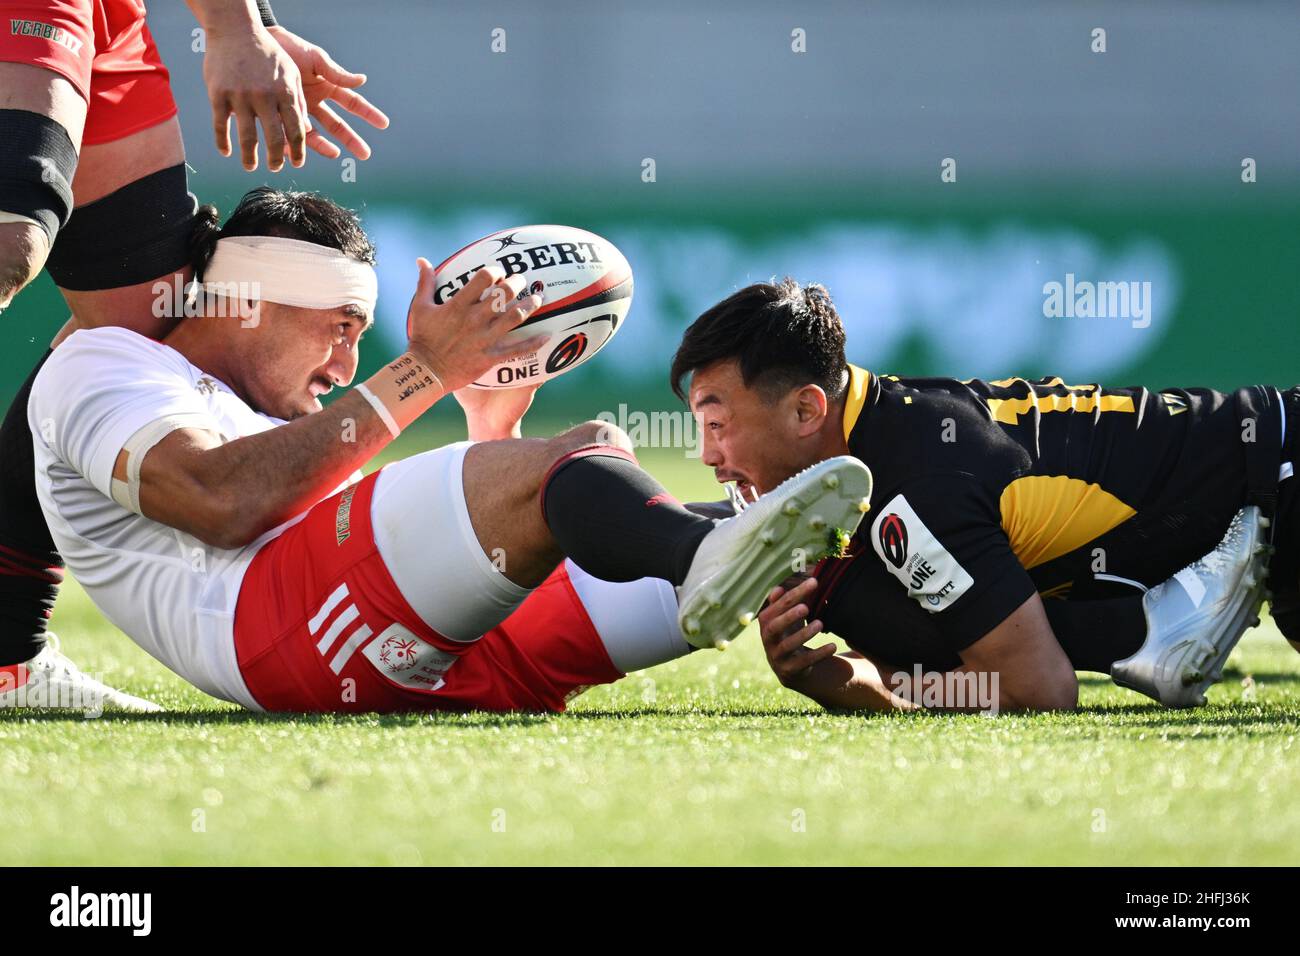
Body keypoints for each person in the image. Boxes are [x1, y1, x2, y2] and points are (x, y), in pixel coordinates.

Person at [26, 188, 872, 713]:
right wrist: (425, 369)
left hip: (369, 642)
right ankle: (705, 556)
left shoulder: (262, 416)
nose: (347, 366)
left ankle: (937, 623)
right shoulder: (104, 361)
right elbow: (221, 504)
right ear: (256, 296)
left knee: (661, 489)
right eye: (340, 327)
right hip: (270, 629)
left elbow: (418, 552)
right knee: (579, 460)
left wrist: (489, 435)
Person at [0, 0, 388, 710]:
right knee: (11, 238)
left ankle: (5, 657)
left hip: (108, 13)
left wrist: (253, 25)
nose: (343, 367)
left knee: (141, 319)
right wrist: (235, 29)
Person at [668, 278, 1287, 712]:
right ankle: (1148, 627)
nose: (707, 456)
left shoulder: (911, 497)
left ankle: (1150, 628)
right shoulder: (886, 425)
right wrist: (847, 673)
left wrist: (874, 692)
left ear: (808, 408)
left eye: (717, 424)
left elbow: (1036, 687)